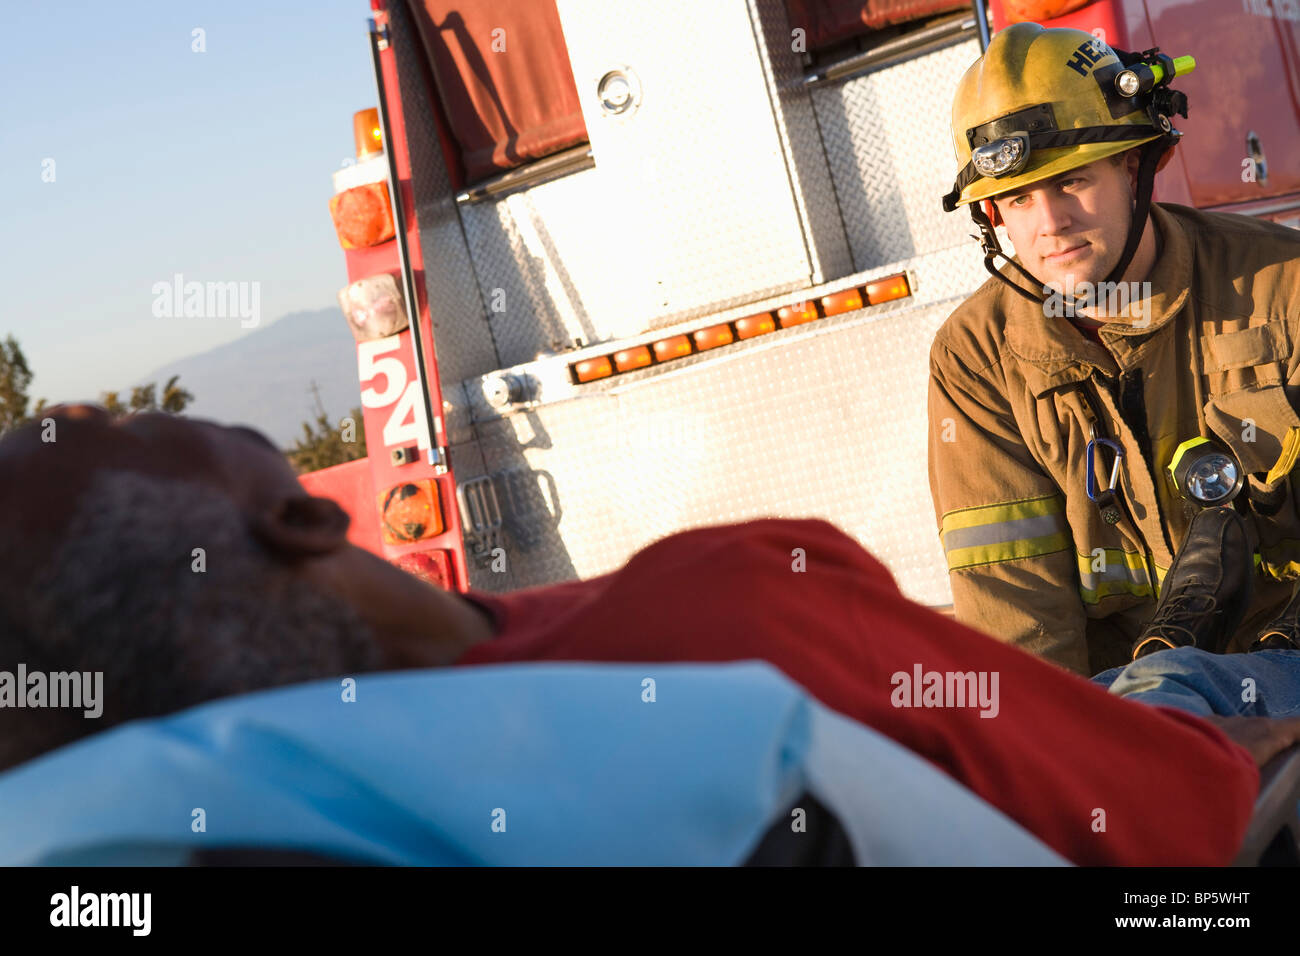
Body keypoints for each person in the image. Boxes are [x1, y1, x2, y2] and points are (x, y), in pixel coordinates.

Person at [1, 405, 1297, 865]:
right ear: (294, 518)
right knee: (1184, 677)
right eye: (93, 428)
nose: (74, 406)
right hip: (1166, 756)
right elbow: (1173, 817)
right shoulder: (722, 622)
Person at [928, 23, 1300, 676]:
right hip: (1132, 709)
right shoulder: (976, 361)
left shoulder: (1283, 286)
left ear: (1132, 166)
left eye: (1072, 181)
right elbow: (1017, 621)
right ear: (992, 219)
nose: (1049, 223)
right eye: (1016, 198)